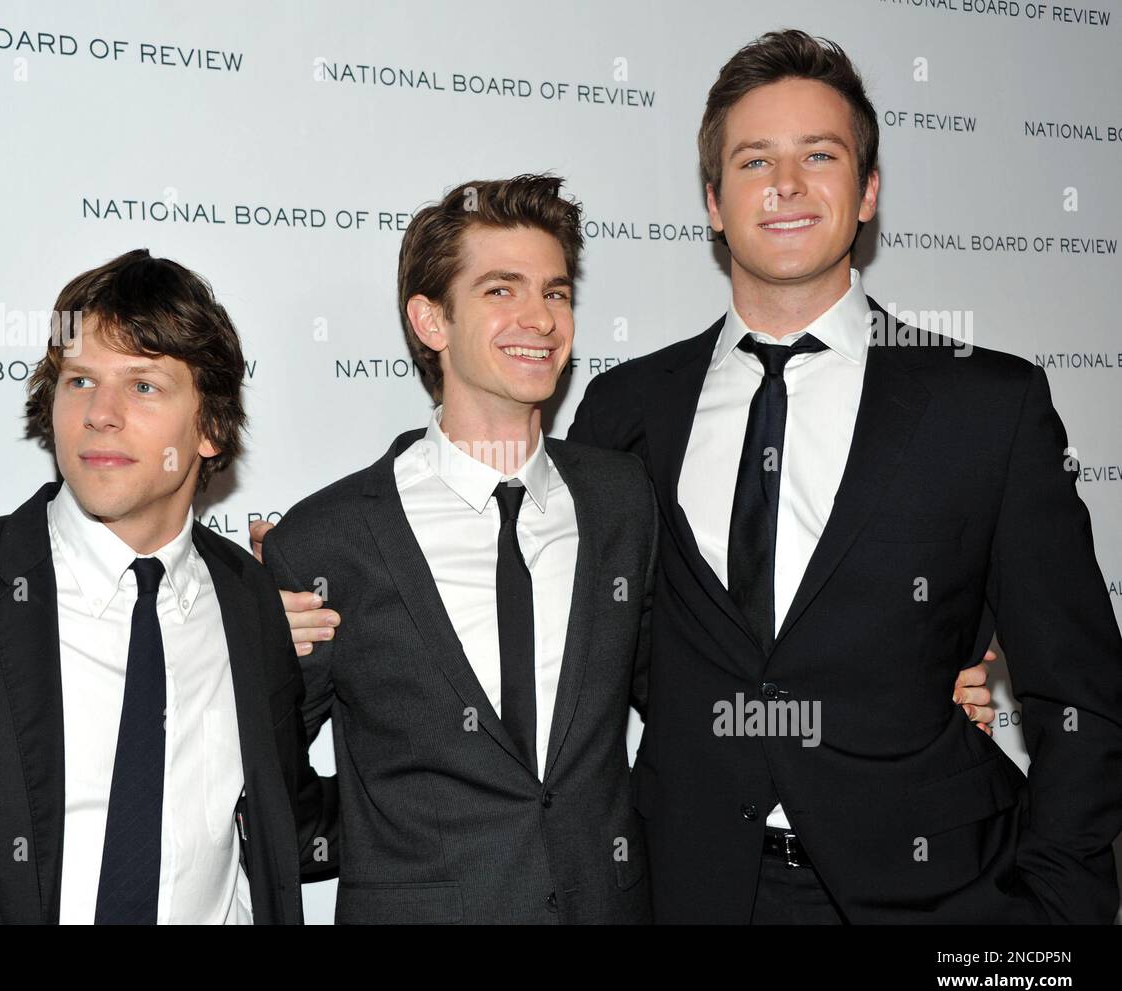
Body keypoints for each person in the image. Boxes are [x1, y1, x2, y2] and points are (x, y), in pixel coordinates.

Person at [252, 176, 995, 923]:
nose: (539, 319)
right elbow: (261, 779)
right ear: (430, 320)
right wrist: (401, 829)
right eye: (500, 291)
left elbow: (698, 691)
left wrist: (903, 701)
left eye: (557, 292)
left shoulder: (622, 500)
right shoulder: (328, 540)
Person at [568, 30, 1122, 923]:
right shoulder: (625, 408)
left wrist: (1055, 914)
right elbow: (609, 653)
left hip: (940, 896)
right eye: (754, 161)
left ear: (866, 192)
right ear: (713, 202)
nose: (785, 185)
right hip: (691, 888)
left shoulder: (988, 403)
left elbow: (1080, 691)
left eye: (818, 156)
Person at [0, 249, 335, 924]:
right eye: (79, 381)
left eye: (144, 386)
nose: (101, 413)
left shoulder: (247, 601)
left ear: (209, 427)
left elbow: (286, 822)